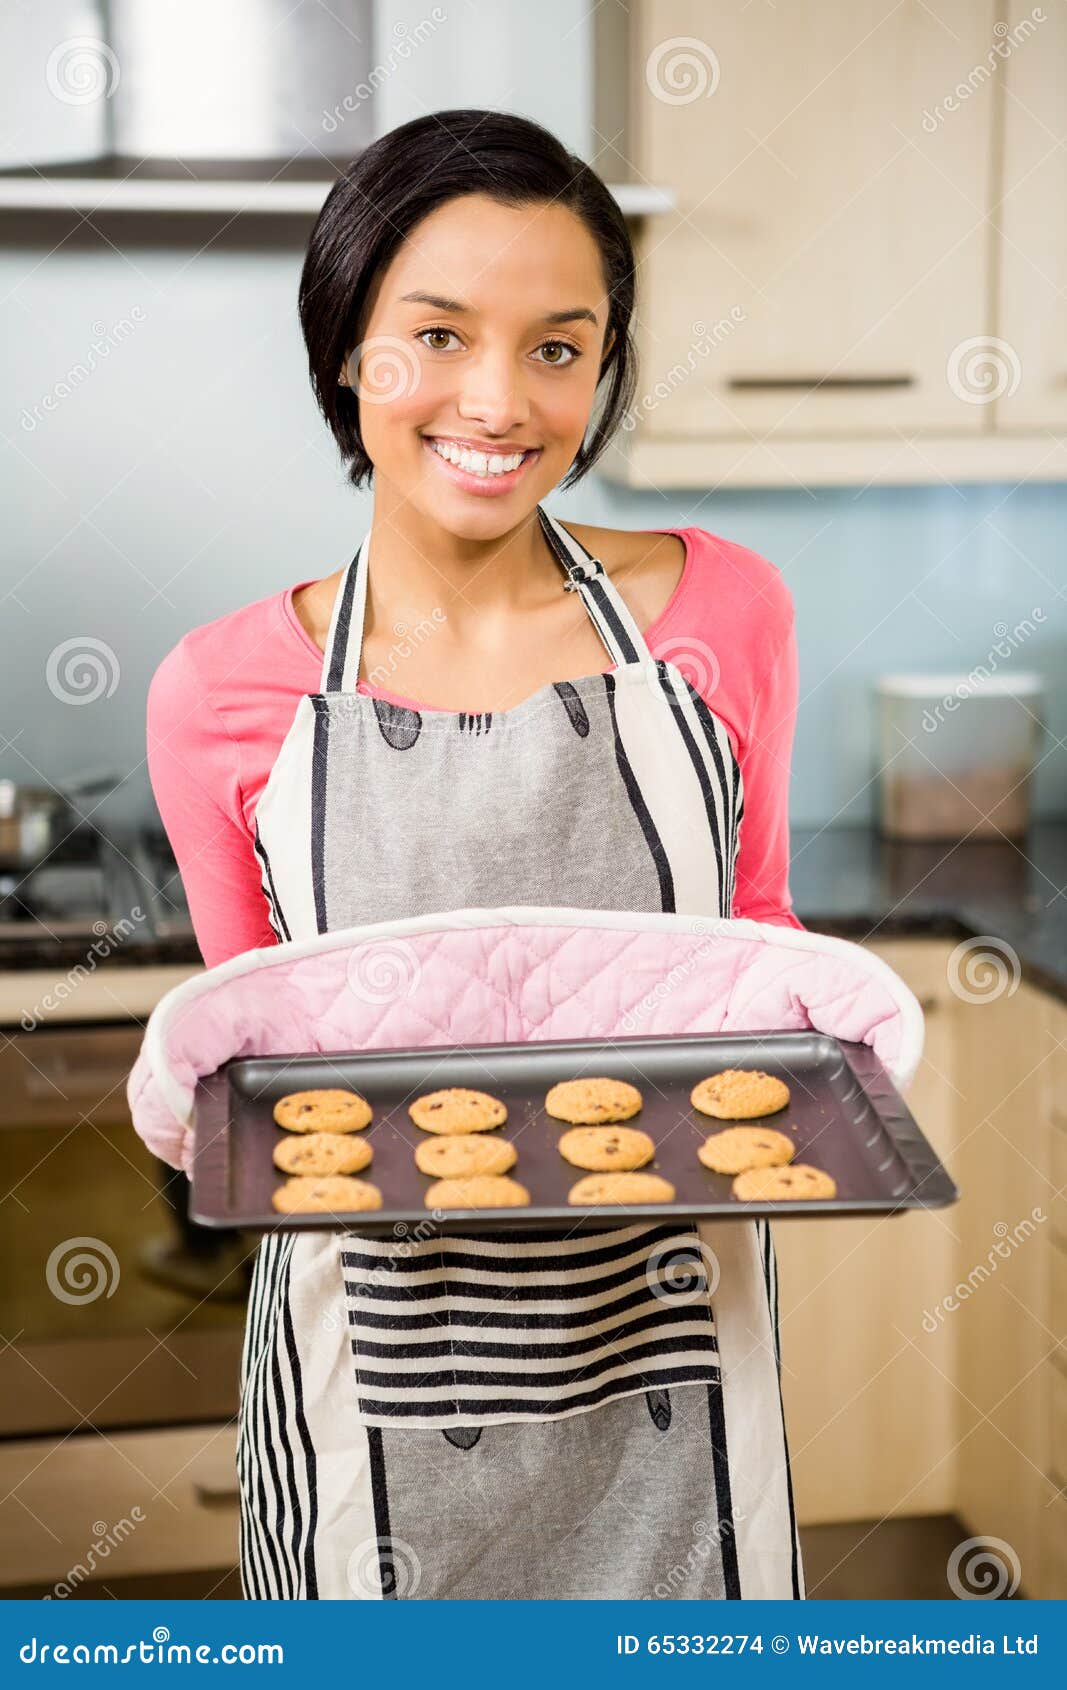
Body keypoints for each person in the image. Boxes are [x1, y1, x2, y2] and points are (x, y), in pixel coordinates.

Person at [146, 108, 804, 1600]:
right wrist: (183, 1104)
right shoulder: (222, 694)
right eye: (436, 336)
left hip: (680, 1342)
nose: (498, 401)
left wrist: (827, 1077)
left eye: (559, 348)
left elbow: (758, 941)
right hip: (374, 1366)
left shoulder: (725, 612)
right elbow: (249, 1068)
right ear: (345, 349)